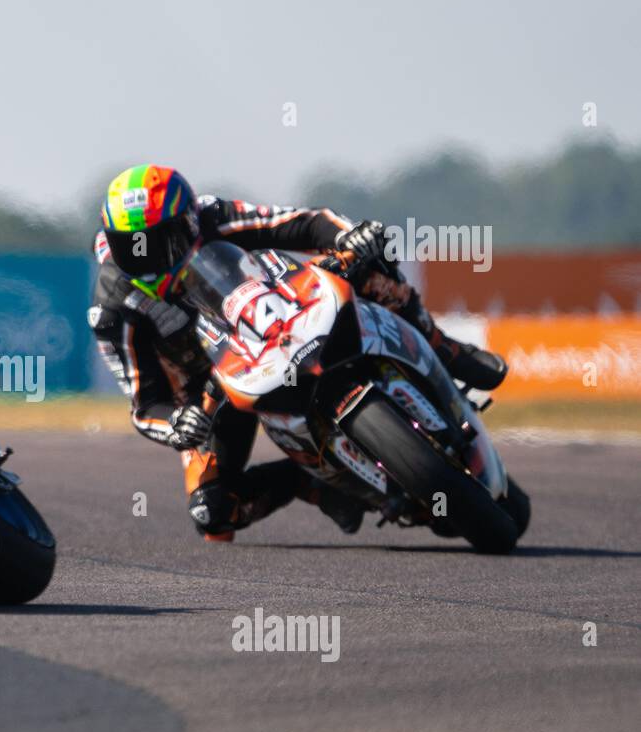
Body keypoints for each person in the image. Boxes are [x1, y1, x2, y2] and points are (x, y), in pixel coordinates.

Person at [88, 164, 507, 540]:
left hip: (282, 311)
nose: (149, 258)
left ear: (189, 222)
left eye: (162, 241)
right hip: (210, 388)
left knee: (367, 257)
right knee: (213, 513)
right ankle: (313, 481)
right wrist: (179, 423)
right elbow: (144, 406)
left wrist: (347, 234)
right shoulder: (113, 310)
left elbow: (302, 223)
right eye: (133, 247)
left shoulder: (214, 217)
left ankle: (442, 346)